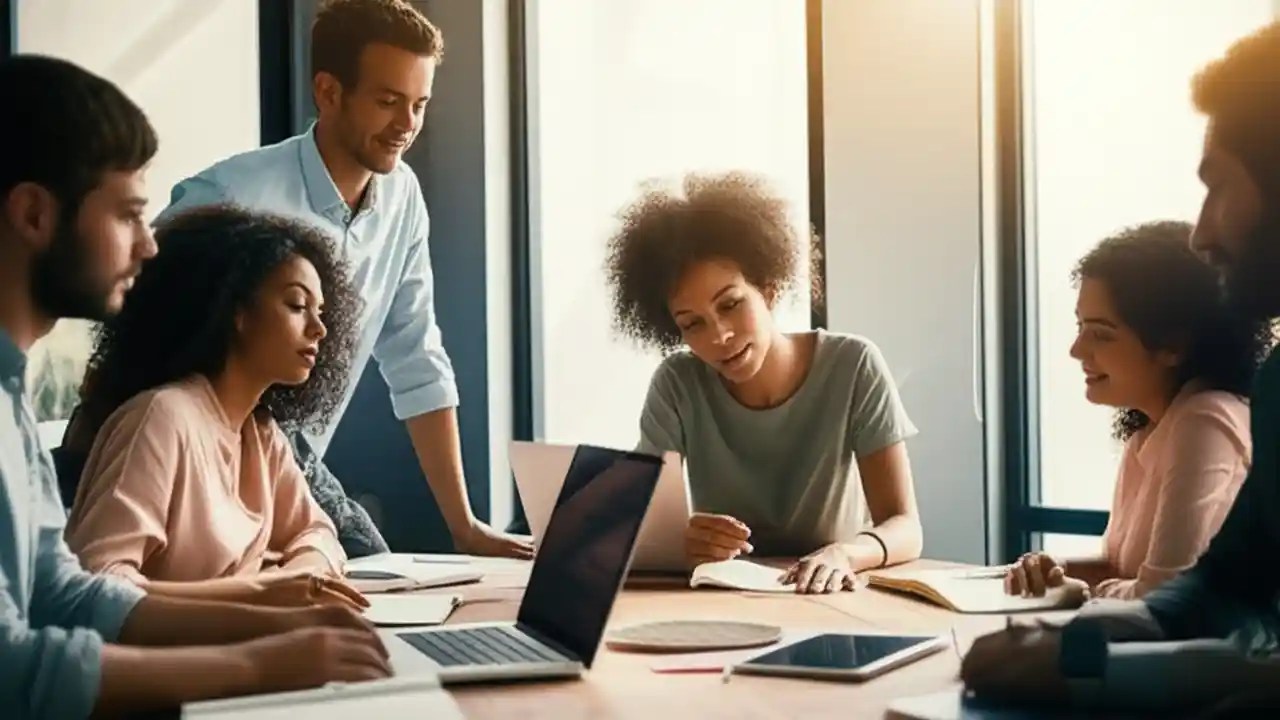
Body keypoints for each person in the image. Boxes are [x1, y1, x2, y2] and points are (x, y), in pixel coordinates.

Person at [0, 54, 388, 720]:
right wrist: (254, 659)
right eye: (127, 214)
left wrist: (275, 621)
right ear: (35, 214)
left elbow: (65, 596)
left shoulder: (10, 400)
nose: (149, 247)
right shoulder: (159, 416)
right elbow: (14, 667)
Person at [963, 20, 1280, 715]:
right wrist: (1075, 638)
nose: (1202, 232)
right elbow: (1228, 584)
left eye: (1221, 186)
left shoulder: (1210, 418)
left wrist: (1090, 668)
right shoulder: (1278, 384)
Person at [153, 0, 529, 559]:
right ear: (328, 92)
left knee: (373, 582)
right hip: (199, 458)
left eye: (419, 104)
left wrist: (466, 527)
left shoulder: (402, 198)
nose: (407, 126)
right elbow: (132, 315)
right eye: (388, 102)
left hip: (292, 459)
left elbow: (416, 359)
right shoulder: (230, 197)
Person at [608, 171, 924, 595]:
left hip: (833, 595)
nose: (719, 336)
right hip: (722, 600)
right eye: (692, 323)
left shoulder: (853, 365)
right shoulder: (677, 385)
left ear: (770, 290)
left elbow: (905, 526)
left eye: (732, 304)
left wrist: (843, 553)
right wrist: (679, 540)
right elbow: (633, 522)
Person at [63, 205, 370, 607]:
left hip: (245, 652)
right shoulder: (162, 418)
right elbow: (99, 582)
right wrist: (259, 594)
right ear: (235, 311)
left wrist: (299, 577)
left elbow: (318, 533)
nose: (319, 328)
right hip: (169, 665)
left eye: (321, 311)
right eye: (297, 305)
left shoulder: (260, 434)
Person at [1003, 221, 1270, 601]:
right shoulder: (1150, 431)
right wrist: (1053, 569)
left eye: (1101, 333)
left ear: (1173, 345)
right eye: (1081, 327)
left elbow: (1164, 594)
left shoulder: (1206, 420)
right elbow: (1125, 570)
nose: (1076, 350)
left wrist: (1076, 590)